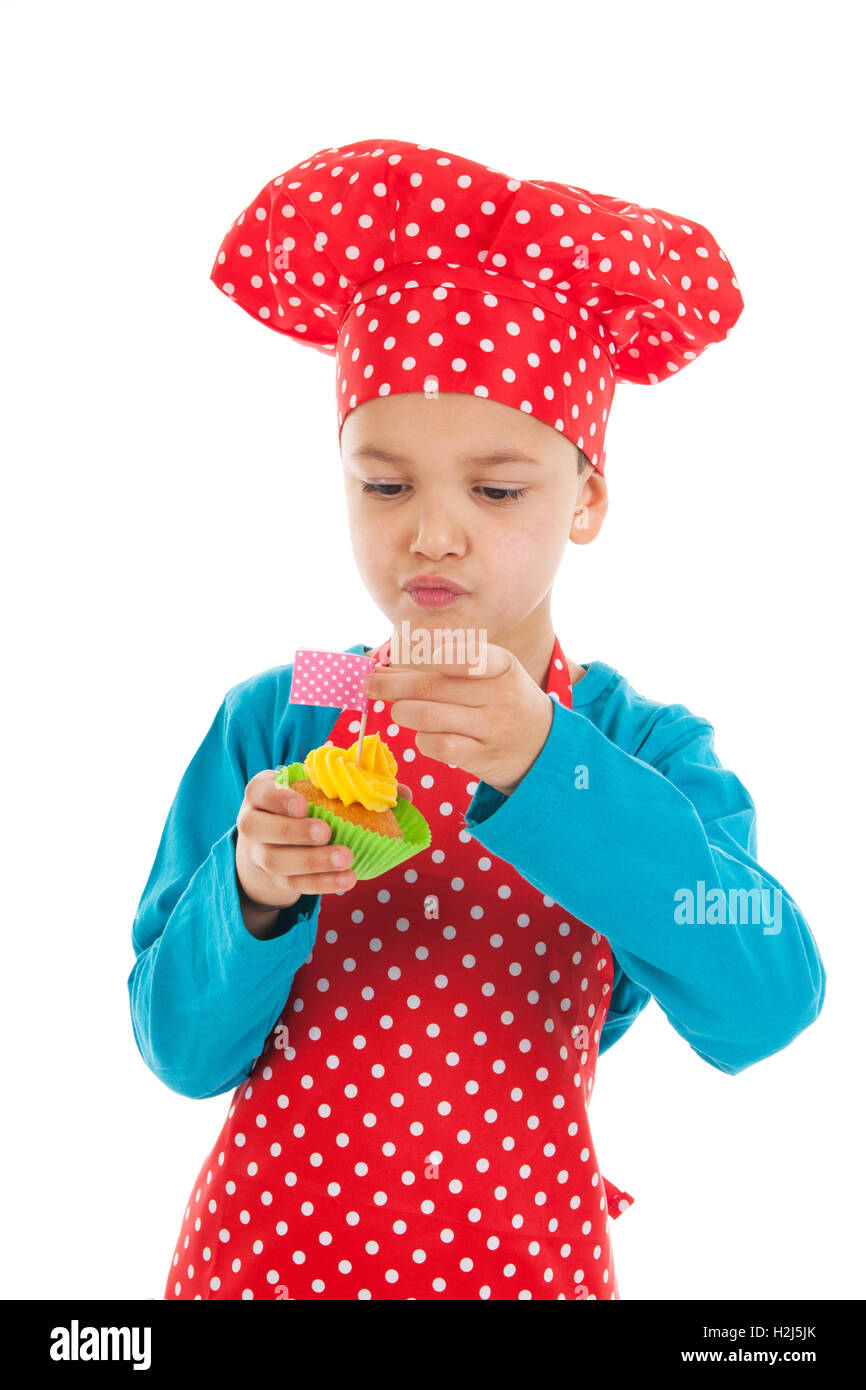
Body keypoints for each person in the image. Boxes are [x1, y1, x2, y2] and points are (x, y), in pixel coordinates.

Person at [128, 138, 826, 1301]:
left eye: (495, 490)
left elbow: (762, 1003)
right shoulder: (291, 704)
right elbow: (180, 1049)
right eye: (384, 483)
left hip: (523, 1269)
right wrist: (246, 890)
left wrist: (552, 766)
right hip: (260, 1266)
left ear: (585, 495)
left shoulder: (637, 740)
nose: (432, 535)